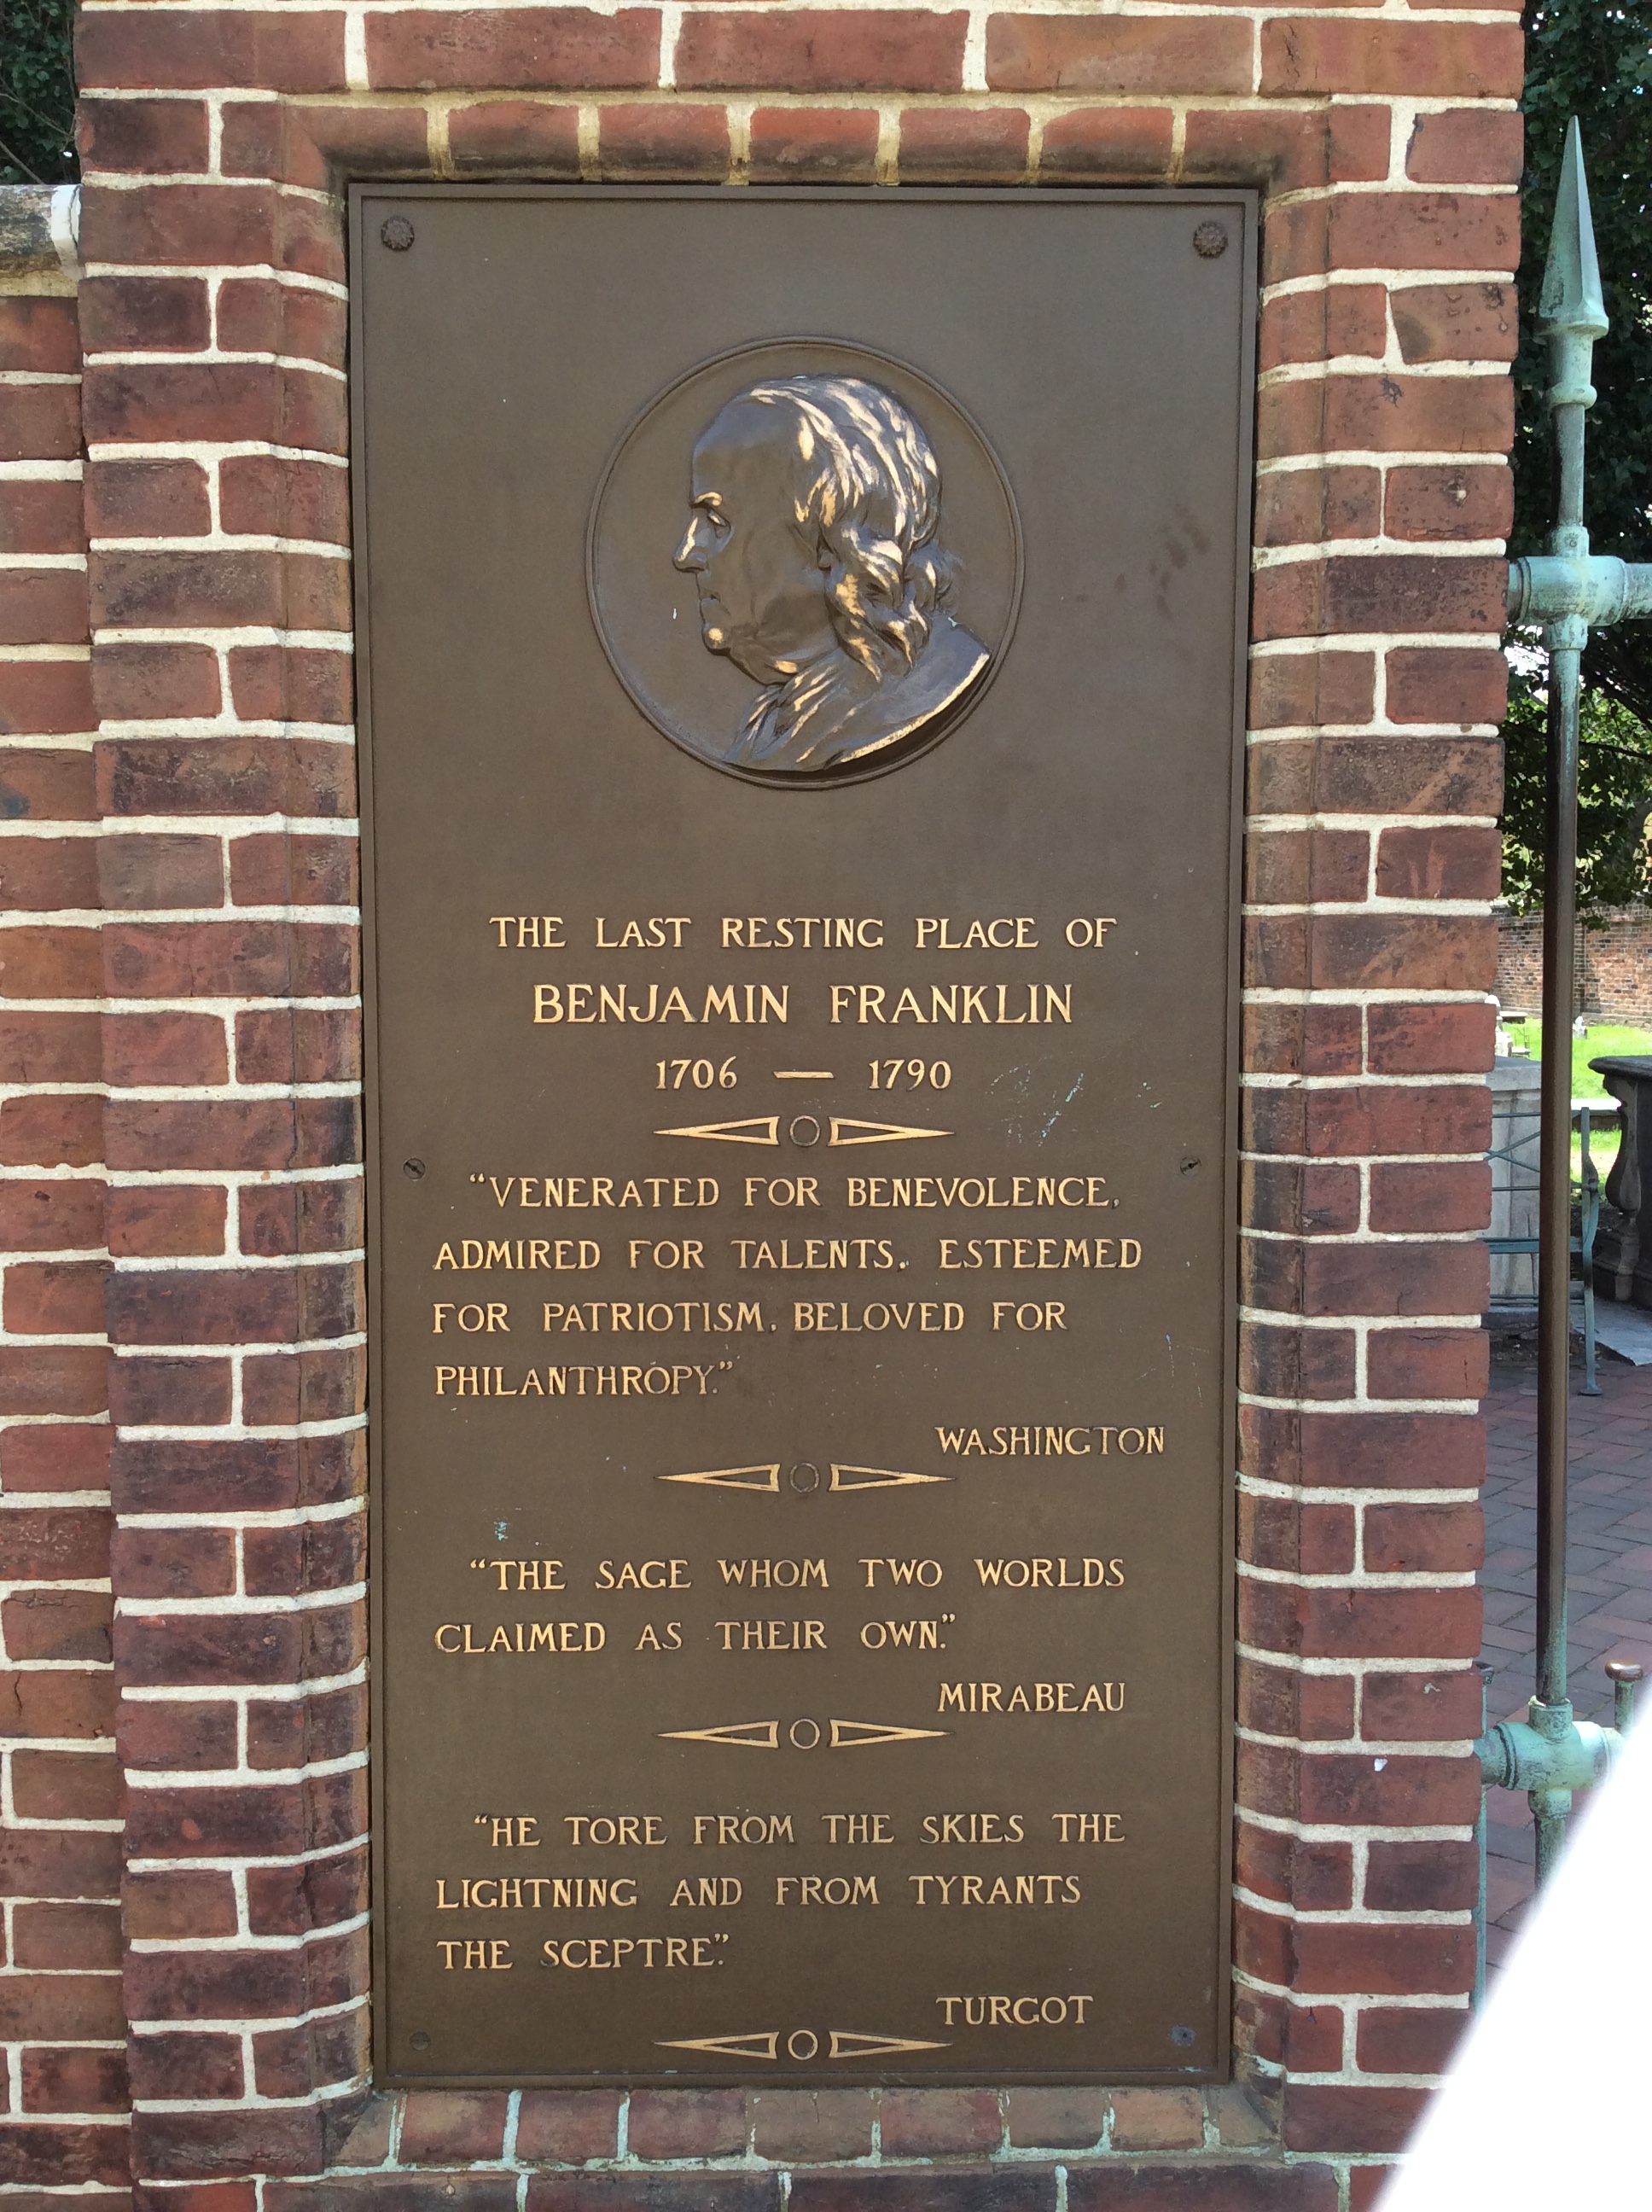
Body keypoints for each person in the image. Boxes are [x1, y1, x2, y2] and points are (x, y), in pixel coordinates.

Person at [672, 373, 990, 777]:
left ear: (832, 538)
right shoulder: (776, 720)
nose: (686, 555)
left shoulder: (914, 693)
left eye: (717, 521)